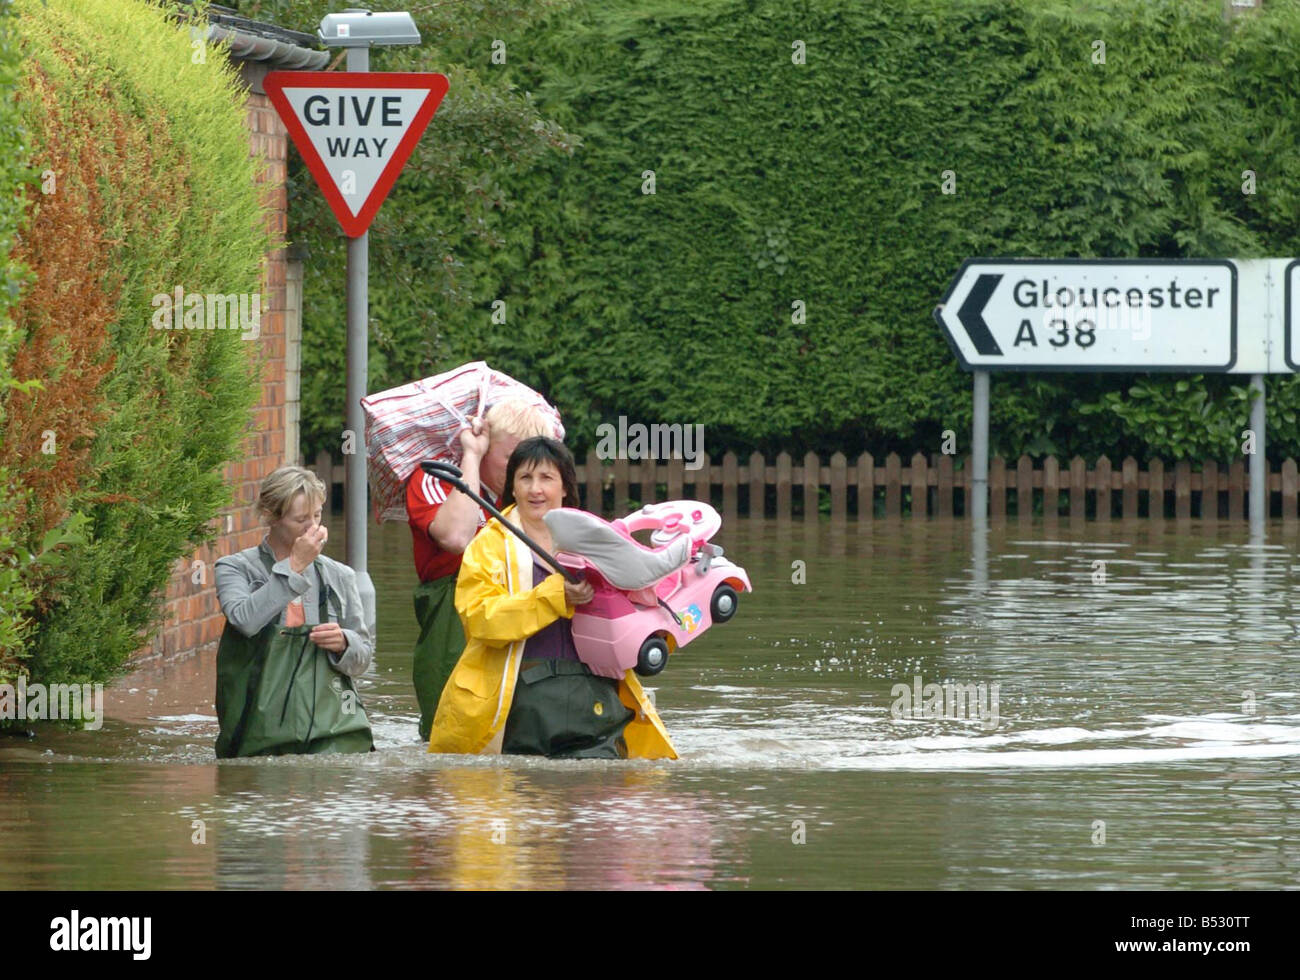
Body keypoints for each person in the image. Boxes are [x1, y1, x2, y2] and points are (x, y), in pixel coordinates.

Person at [427, 437, 677, 759]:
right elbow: (481, 620)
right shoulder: (487, 546)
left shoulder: (598, 541)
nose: (535, 490)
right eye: (525, 478)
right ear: (512, 488)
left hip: (596, 698)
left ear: (564, 487)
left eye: (547, 478)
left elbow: (644, 615)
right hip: (521, 703)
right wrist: (553, 596)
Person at [408, 399, 557, 741]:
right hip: (455, 618)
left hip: (523, 613)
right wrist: (471, 457)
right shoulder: (436, 478)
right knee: (451, 735)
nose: (525, 475)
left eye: (535, 465)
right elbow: (456, 537)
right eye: (512, 459)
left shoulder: (533, 497)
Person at [214, 466, 374, 758]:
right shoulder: (234, 568)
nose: (312, 527)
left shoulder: (341, 576)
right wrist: (294, 567)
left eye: (317, 515)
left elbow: (363, 657)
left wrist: (344, 644)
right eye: (300, 519)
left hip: (333, 731)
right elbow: (245, 621)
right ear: (271, 517)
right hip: (258, 733)